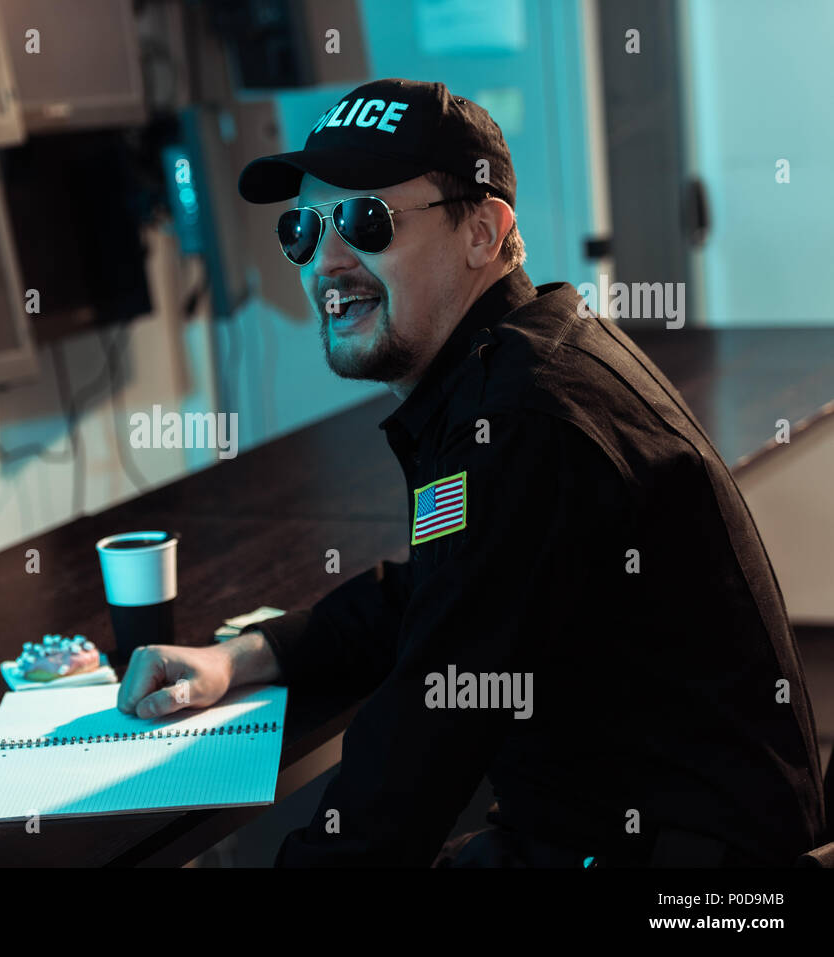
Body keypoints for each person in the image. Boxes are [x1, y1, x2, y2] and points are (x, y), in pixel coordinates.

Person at [117, 78, 826, 867]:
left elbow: (414, 755)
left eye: (365, 220)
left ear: (483, 233)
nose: (328, 258)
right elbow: (440, 588)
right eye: (303, 228)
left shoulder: (524, 422)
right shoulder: (529, 358)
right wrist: (243, 655)